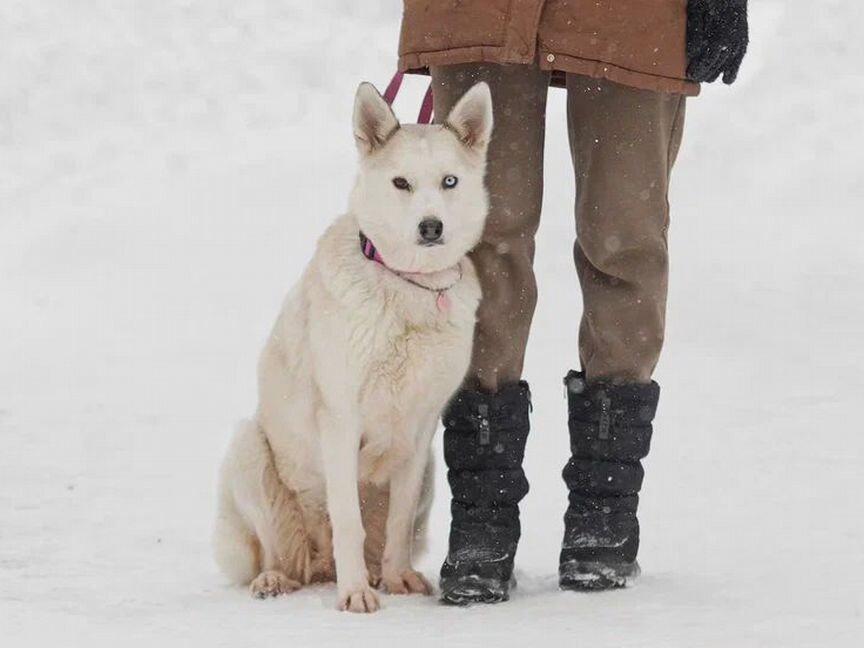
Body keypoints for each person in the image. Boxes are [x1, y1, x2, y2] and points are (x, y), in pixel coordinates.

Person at [397, 0, 749, 604]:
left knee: (625, 237)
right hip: (477, 12)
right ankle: (481, 512)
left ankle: (604, 506)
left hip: (634, 15)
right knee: (481, 240)